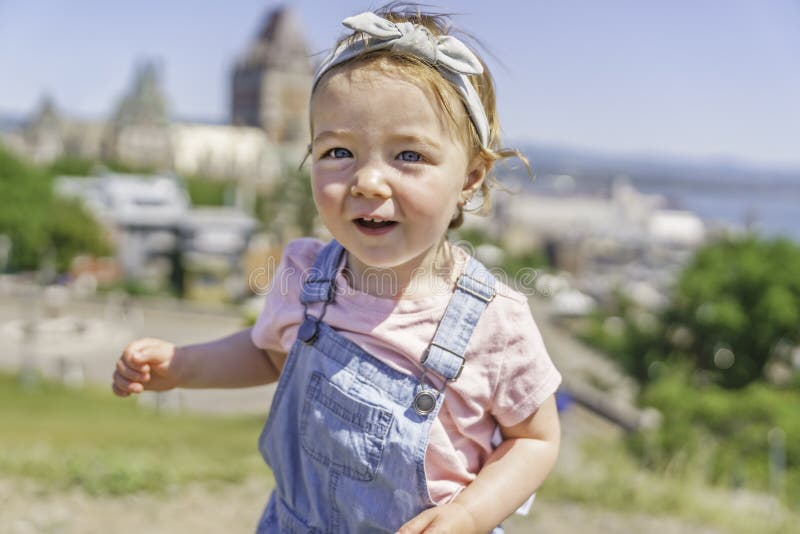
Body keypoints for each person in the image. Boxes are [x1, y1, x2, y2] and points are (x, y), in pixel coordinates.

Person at [112, 6, 561, 533]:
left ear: (470, 176)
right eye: (339, 151)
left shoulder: (495, 322)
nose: (368, 181)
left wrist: (467, 514)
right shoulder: (306, 271)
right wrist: (183, 365)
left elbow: (534, 438)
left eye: (409, 156)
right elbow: (267, 353)